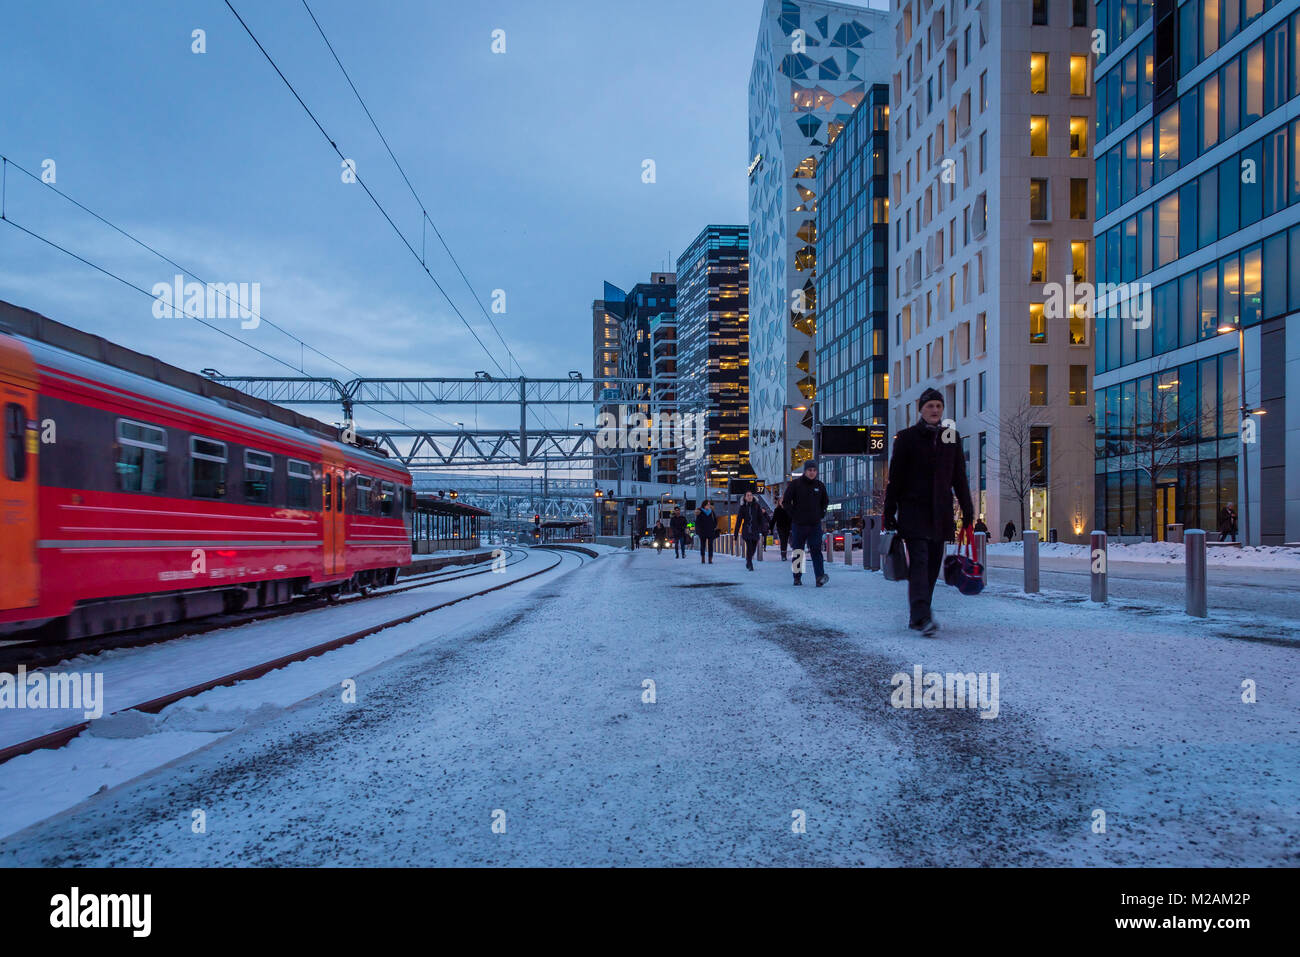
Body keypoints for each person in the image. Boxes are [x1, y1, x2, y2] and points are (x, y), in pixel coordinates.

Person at [882, 387, 975, 637]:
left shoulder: (950, 438)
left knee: (932, 567)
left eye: (938, 406)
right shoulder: (907, 438)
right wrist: (889, 511)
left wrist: (968, 510)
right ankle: (922, 616)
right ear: (921, 410)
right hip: (913, 512)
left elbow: (959, 478)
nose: (935, 410)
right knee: (920, 565)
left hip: (940, 513)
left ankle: (918, 615)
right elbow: (895, 479)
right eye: (930, 406)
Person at [781, 460, 830, 587]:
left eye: (814, 470)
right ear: (805, 471)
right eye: (810, 470)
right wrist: (794, 515)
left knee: (816, 550)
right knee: (798, 551)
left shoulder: (820, 486)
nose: (812, 473)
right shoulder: (795, 485)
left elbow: (825, 501)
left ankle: (819, 577)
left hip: (815, 524)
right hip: (799, 524)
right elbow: (785, 502)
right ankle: (797, 577)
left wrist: (822, 513)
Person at [734, 490, 768, 571]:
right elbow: (739, 521)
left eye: (751, 495)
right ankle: (750, 563)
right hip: (746, 530)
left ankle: (748, 560)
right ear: (745, 498)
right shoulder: (742, 508)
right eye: (748, 495)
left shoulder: (757, 506)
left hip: (755, 530)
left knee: (753, 548)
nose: (749, 496)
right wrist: (735, 534)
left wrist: (764, 529)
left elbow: (761, 518)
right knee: (749, 546)